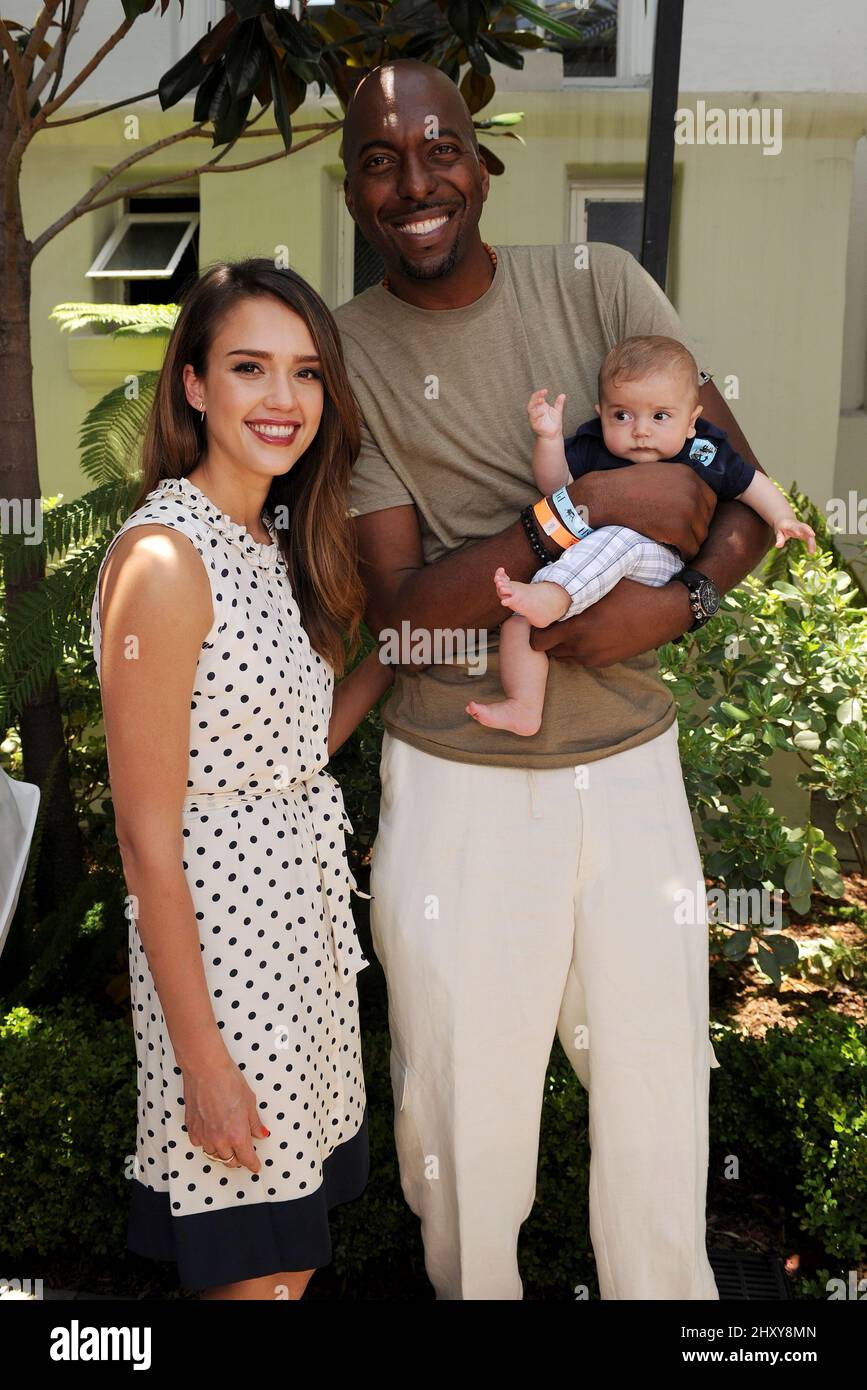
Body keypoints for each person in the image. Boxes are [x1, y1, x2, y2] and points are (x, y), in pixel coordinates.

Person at [335, 59, 773, 1300]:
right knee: (460, 1135)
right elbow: (409, 610)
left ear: (482, 161)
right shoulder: (349, 355)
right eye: (380, 157)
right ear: (354, 184)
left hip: (632, 767)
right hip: (459, 778)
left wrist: (676, 608)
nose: (414, 180)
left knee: (660, 1100)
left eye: (439, 149)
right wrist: (578, 508)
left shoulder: (601, 286)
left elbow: (732, 490)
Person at [90, 259, 393, 1300]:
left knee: (290, 1261)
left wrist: (394, 651)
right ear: (193, 385)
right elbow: (144, 840)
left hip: (299, 945)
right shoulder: (167, 559)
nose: (282, 400)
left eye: (306, 374)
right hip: (221, 963)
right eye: (250, 367)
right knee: (254, 1274)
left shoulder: (266, 540)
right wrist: (203, 1060)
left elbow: (287, 754)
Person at [468, 334, 816, 734]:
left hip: (655, 559)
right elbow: (556, 486)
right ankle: (523, 706)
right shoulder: (595, 446)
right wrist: (548, 440)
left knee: (620, 539)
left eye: (660, 417)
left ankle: (551, 595)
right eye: (622, 416)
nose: (640, 431)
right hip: (587, 572)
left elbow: (748, 482)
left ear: (691, 421)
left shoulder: (702, 450)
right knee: (518, 622)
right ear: (602, 415)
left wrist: (782, 517)